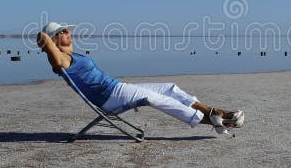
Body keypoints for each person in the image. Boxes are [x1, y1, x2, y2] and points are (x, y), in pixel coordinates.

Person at [37, 21, 245, 135]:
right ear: (54, 39)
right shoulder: (62, 60)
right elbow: (46, 45)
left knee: (168, 88)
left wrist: (55, 37)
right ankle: (214, 121)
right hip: (110, 97)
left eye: (66, 30)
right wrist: (46, 37)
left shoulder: (73, 55)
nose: (67, 32)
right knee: (157, 99)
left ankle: (210, 111)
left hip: (117, 89)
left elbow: (53, 44)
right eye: (62, 32)